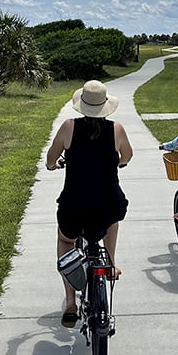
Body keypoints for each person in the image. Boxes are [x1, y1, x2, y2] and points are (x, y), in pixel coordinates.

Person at [46, 79, 133, 327]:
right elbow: (127, 155)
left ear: (81, 105)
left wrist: (54, 165)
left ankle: (71, 301)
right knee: (112, 220)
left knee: (66, 240)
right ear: (105, 106)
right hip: (107, 204)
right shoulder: (116, 129)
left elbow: (51, 159)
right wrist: (117, 163)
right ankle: (111, 265)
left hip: (75, 206)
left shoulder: (68, 128)